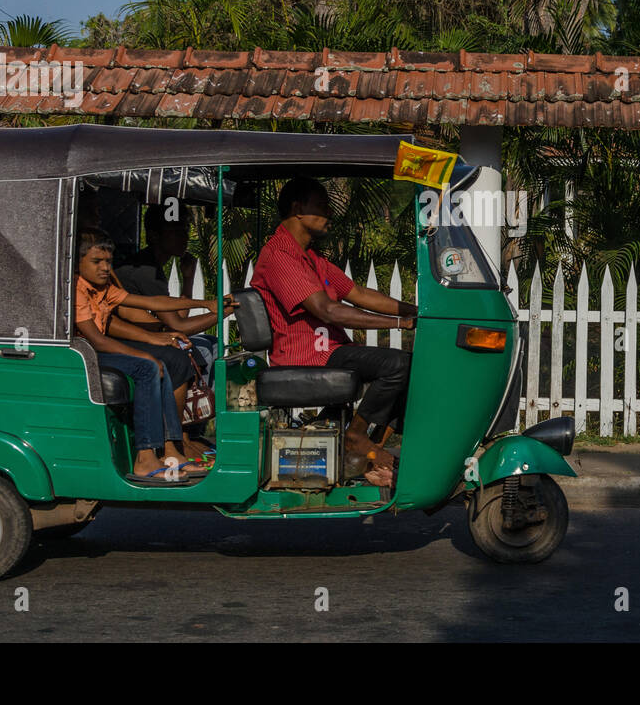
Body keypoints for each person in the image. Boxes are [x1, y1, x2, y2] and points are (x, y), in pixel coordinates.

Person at [251, 177, 418, 488]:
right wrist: (398, 324)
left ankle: (371, 448)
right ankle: (355, 438)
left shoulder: (313, 260)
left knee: (412, 367)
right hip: (306, 356)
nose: (330, 212)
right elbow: (328, 310)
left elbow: (358, 293)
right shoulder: (279, 257)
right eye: (323, 206)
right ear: (297, 209)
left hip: (329, 351)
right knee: (397, 365)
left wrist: (415, 311)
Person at [73, 229, 220, 484]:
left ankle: (171, 448)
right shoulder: (78, 289)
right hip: (84, 355)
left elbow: (154, 302)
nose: (105, 268)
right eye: (97, 262)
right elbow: (96, 339)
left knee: (159, 363)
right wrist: (142, 354)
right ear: (78, 263)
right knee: (147, 366)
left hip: (98, 352)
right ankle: (145, 457)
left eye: (108, 262)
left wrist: (203, 303)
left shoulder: (104, 289)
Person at [114, 205, 231, 458]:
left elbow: (176, 319)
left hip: (151, 335)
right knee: (191, 351)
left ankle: (189, 434)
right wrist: (220, 313)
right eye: (176, 230)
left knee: (207, 343)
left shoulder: (154, 265)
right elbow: (178, 326)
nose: (184, 236)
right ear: (155, 235)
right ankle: (178, 440)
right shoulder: (143, 269)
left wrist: (188, 280)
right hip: (129, 339)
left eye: (185, 229)